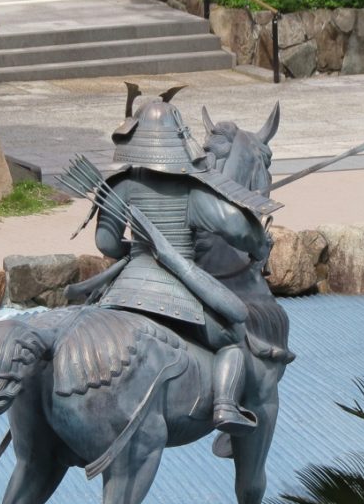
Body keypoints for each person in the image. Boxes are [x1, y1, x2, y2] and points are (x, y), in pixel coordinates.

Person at [91, 98, 270, 435]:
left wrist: (135, 246)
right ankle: (226, 406)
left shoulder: (121, 185)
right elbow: (237, 229)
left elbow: (106, 244)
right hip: (178, 288)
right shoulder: (192, 191)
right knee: (234, 334)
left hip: (127, 284)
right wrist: (259, 240)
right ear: (176, 141)